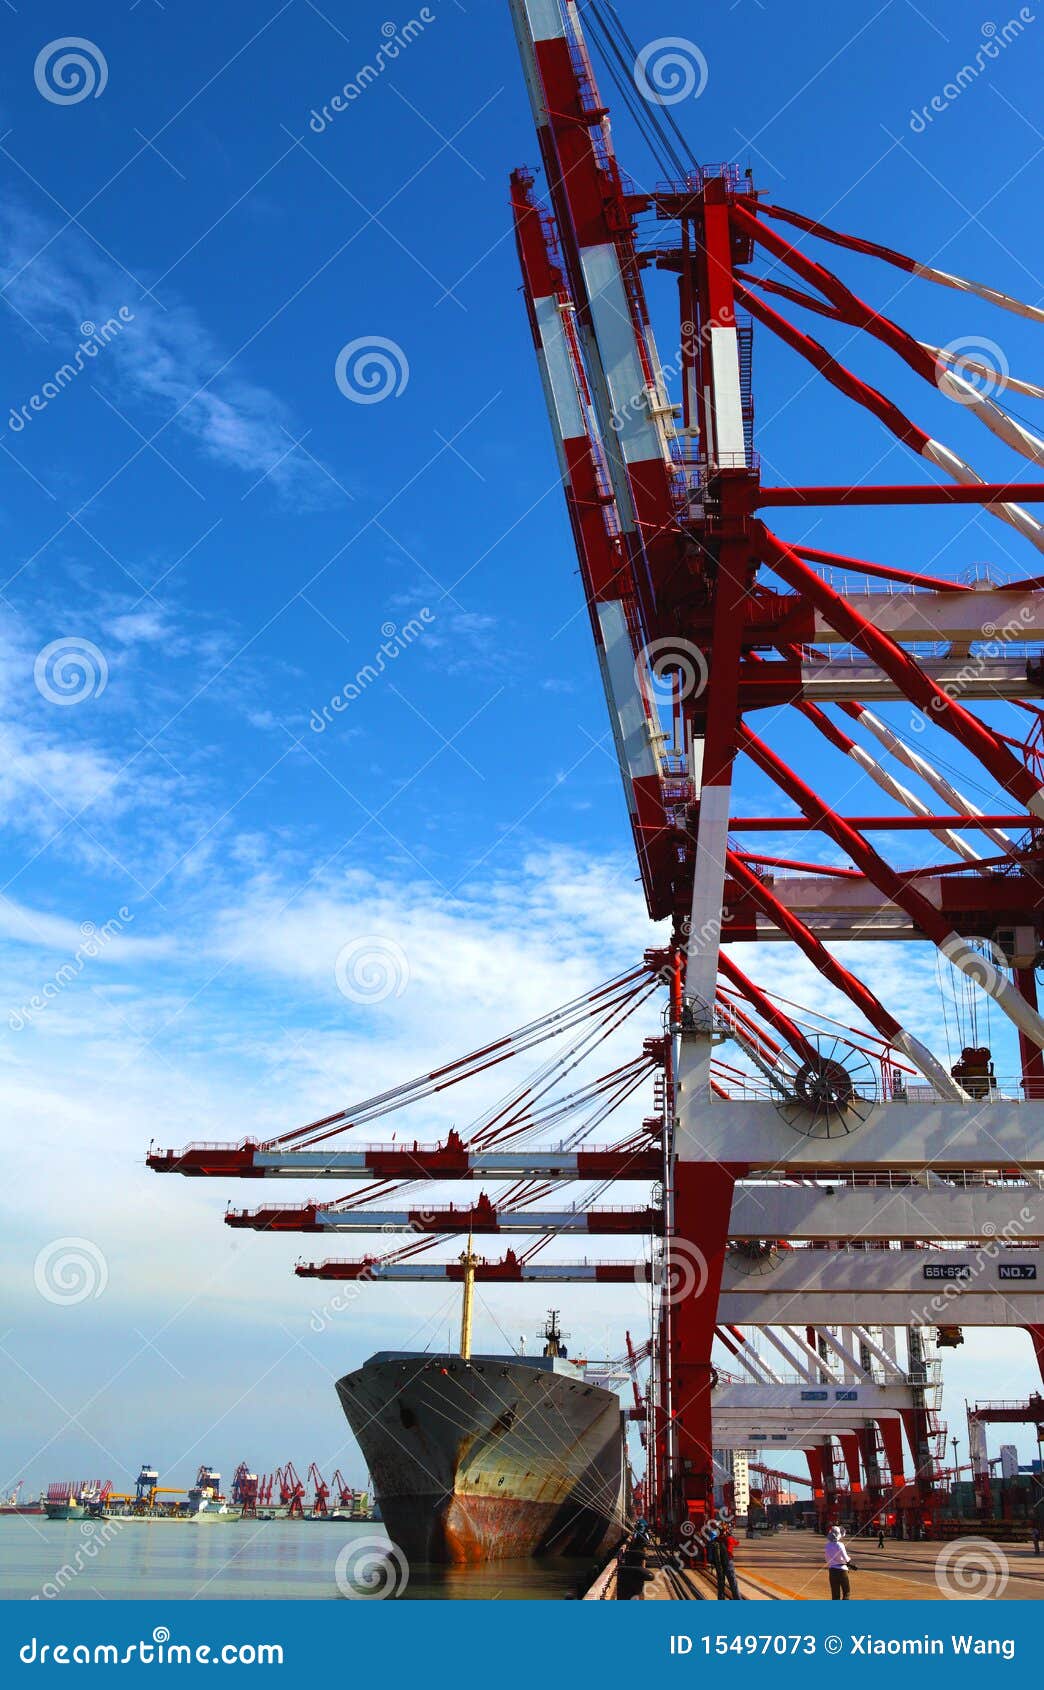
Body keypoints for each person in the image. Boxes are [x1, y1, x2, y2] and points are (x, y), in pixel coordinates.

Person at [707, 1524, 741, 1601]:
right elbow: (737, 1542)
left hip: (719, 1564)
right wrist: (730, 1535)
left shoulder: (716, 1540)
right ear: (725, 1530)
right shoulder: (729, 1538)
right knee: (733, 1584)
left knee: (721, 1585)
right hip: (728, 1563)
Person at [825, 1525, 855, 1599]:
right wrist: (849, 1562)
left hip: (832, 1570)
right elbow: (846, 1558)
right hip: (842, 1570)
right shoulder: (840, 1544)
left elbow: (826, 1559)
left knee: (835, 1593)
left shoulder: (827, 1545)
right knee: (846, 1592)